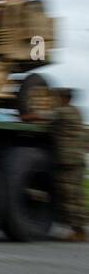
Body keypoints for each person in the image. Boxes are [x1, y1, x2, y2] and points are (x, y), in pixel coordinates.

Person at [50, 87, 87, 242]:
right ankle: (79, 231)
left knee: (69, 196)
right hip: (76, 159)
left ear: (64, 98)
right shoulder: (76, 111)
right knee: (76, 195)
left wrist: (27, 115)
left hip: (68, 161)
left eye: (57, 97)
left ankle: (76, 231)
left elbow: (42, 116)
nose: (55, 99)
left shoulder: (63, 111)